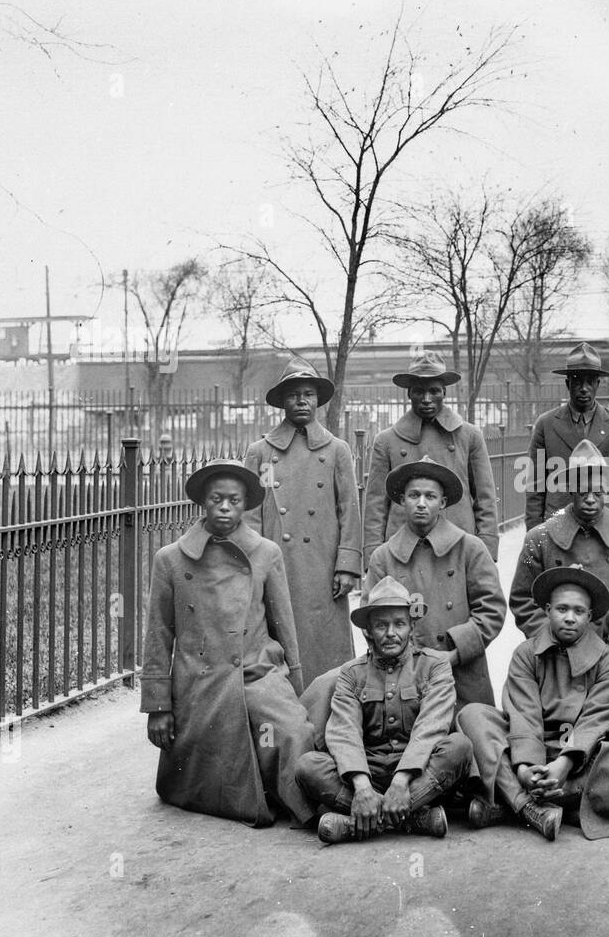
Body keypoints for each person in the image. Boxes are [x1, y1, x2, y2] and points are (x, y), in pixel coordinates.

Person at [141, 460, 315, 827]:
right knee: (211, 768)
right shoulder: (170, 560)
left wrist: (292, 688)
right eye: (216, 499)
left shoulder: (266, 553)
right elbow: (159, 634)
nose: (224, 508)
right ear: (202, 502)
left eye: (234, 501)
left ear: (246, 505)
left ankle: (320, 811)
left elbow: (284, 624)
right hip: (201, 684)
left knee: (292, 734)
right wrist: (158, 706)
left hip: (256, 670)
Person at [458, 566, 609, 841]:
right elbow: (524, 713)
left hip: (580, 756)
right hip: (533, 747)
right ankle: (529, 805)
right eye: (562, 609)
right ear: (547, 610)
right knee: (472, 715)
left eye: (579, 612)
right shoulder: (527, 653)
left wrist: (564, 764)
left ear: (590, 616)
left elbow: (596, 717)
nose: (569, 618)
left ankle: (512, 806)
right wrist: (524, 768)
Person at [293, 576, 475, 844]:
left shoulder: (434, 666)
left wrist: (401, 782)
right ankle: (414, 819)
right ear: (368, 631)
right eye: (381, 625)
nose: (391, 633)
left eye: (399, 623)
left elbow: (431, 727)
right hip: (368, 776)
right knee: (307, 766)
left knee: (459, 747)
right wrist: (362, 786)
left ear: (411, 627)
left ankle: (362, 824)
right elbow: (344, 731)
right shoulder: (352, 673)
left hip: (417, 776)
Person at [244, 357, 361, 681]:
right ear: (283, 400)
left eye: (308, 393)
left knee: (325, 649)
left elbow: (349, 509)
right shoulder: (262, 452)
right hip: (278, 565)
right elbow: (251, 515)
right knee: (277, 641)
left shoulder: (337, 450)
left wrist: (347, 565)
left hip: (323, 567)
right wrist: (255, 565)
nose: (301, 400)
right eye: (294, 394)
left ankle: (332, 712)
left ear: (318, 400)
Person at [510, 440, 609, 694]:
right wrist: (554, 636)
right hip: (558, 638)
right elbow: (523, 599)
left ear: (608, 490)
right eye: (582, 492)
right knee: (547, 699)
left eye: (597, 493)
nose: (590, 500)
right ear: (569, 489)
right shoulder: (540, 537)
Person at [363, 456, 506, 706]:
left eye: (430, 497)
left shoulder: (470, 549)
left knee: (471, 737)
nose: (421, 503)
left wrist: (455, 652)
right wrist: (404, 658)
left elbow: (492, 610)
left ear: (443, 502)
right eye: (413, 495)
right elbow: (368, 619)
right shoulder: (383, 557)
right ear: (401, 501)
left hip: (462, 671)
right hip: (404, 676)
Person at [362, 350, 499, 565]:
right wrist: (373, 554)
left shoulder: (469, 436)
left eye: (434, 391)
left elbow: (485, 499)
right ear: (408, 394)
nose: (426, 399)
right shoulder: (386, 440)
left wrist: (486, 551)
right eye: (419, 391)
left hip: (457, 543)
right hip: (402, 547)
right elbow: (376, 506)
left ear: (444, 392)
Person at [524, 341, 609, 529]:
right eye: (577, 381)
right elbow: (535, 488)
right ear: (567, 383)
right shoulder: (545, 425)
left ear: (598, 383)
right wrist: (535, 537)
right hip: (559, 525)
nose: (584, 388)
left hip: (607, 526)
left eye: (590, 381)